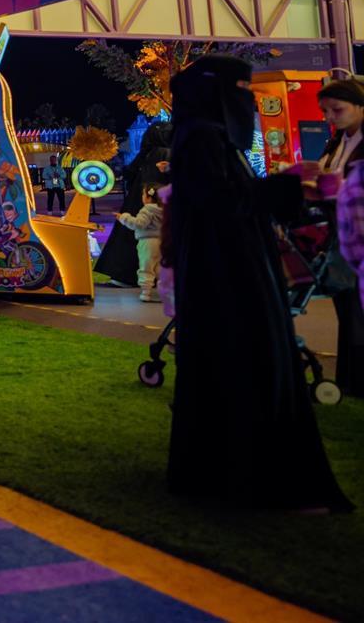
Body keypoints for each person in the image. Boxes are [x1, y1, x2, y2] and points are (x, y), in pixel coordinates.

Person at [164, 54, 351, 512]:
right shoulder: (203, 138)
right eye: (242, 91)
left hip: (229, 269)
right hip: (228, 276)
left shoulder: (206, 137)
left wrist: (284, 187)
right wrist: (287, 185)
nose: (247, 102)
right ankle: (260, 478)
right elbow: (222, 201)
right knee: (253, 361)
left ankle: (231, 472)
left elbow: (232, 199)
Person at [313, 78, 364, 397]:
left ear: (360, 106)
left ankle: (356, 380)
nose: (331, 117)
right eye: (326, 111)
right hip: (340, 234)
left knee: (356, 310)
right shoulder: (337, 143)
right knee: (347, 309)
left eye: (337, 109)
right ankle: (349, 378)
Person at [97, 119, 172, 286]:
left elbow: (134, 175)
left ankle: (128, 275)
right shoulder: (165, 154)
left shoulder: (152, 154)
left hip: (142, 207)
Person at [117, 186, 163, 302]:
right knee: (160, 268)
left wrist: (124, 217)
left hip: (147, 242)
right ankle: (166, 291)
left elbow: (139, 224)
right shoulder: (164, 209)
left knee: (146, 266)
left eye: (143, 194)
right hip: (162, 242)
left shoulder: (147, 210)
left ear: (148, 197)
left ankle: (146, 292)